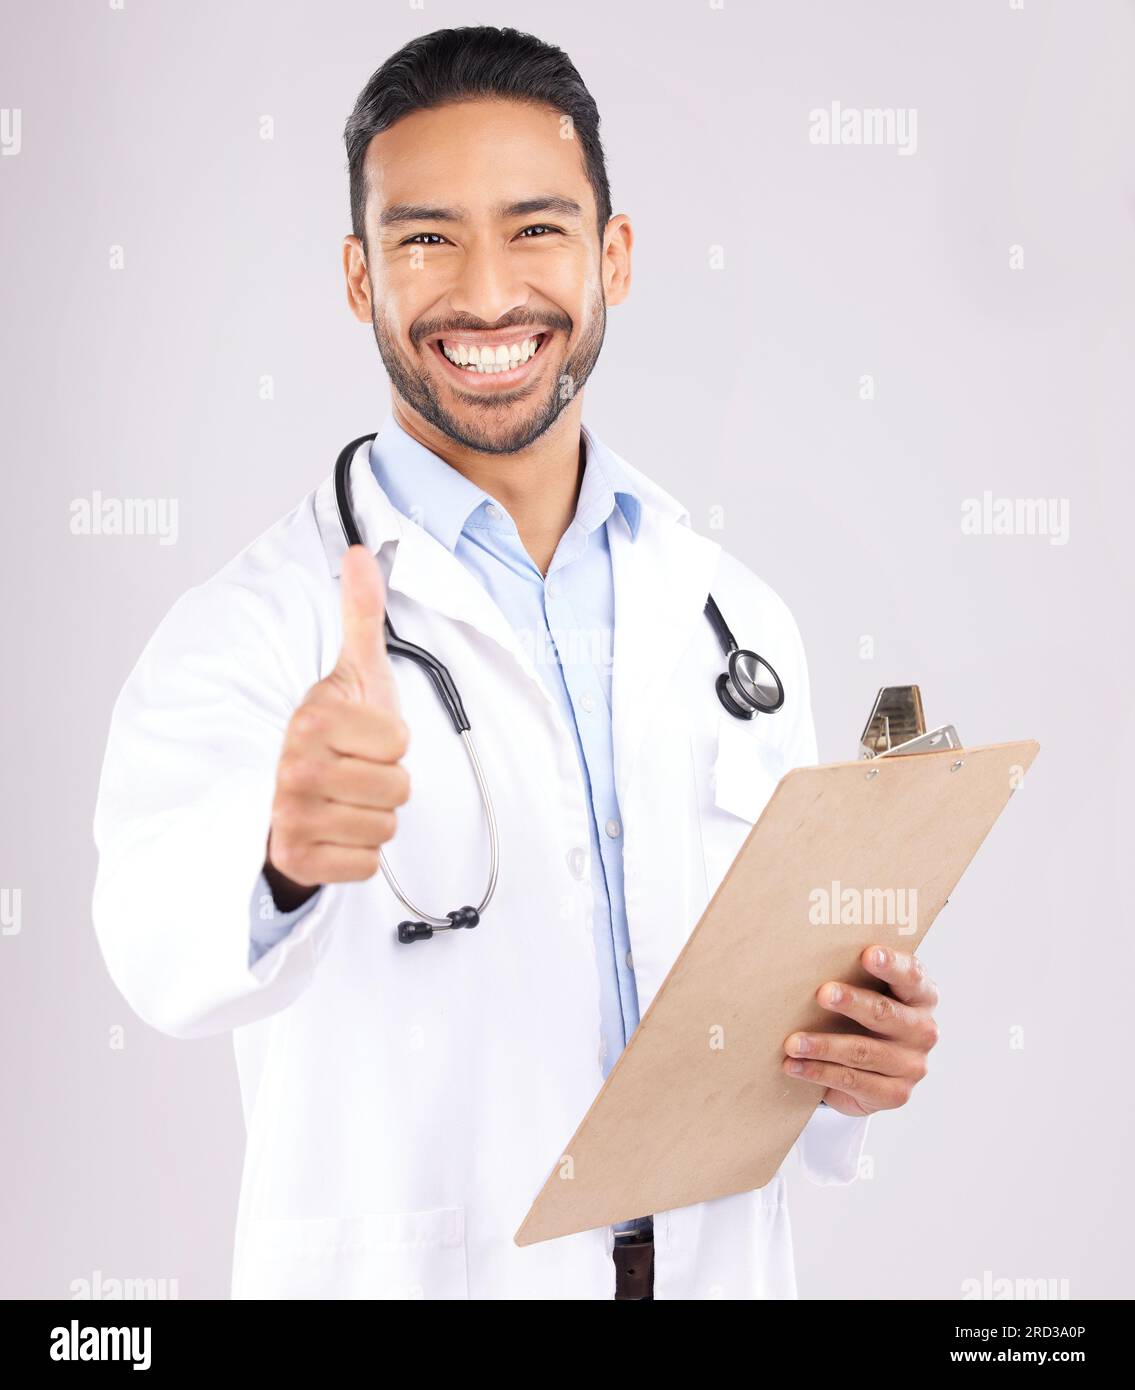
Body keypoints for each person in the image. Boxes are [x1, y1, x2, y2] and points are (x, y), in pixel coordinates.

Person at [92, 25, 939, 1301]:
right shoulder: (257, 625)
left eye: (535, 229)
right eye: (425, 237)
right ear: (357, 277)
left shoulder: (736, 617)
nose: (487, 294)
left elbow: (766, 991)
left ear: (615, 256)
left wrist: (853, 1066)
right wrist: (279, 854)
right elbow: (151, 945)